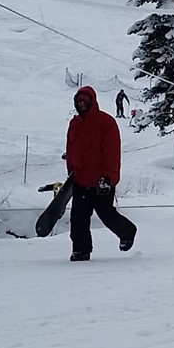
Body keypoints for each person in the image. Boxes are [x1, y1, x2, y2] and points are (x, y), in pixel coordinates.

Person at [63, 85, 136, 260]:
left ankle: (127, 231)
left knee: (106, 213)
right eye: (78, 101)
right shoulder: (74, 124)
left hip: (101, 181)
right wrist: (71, 171)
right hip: (80, 180)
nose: (81, 104)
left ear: (92, 101)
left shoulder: (106, 122)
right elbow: (71, 148)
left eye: (84, 101)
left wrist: (108, 178)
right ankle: (81, 250)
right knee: (78, 218)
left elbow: (112, 152)